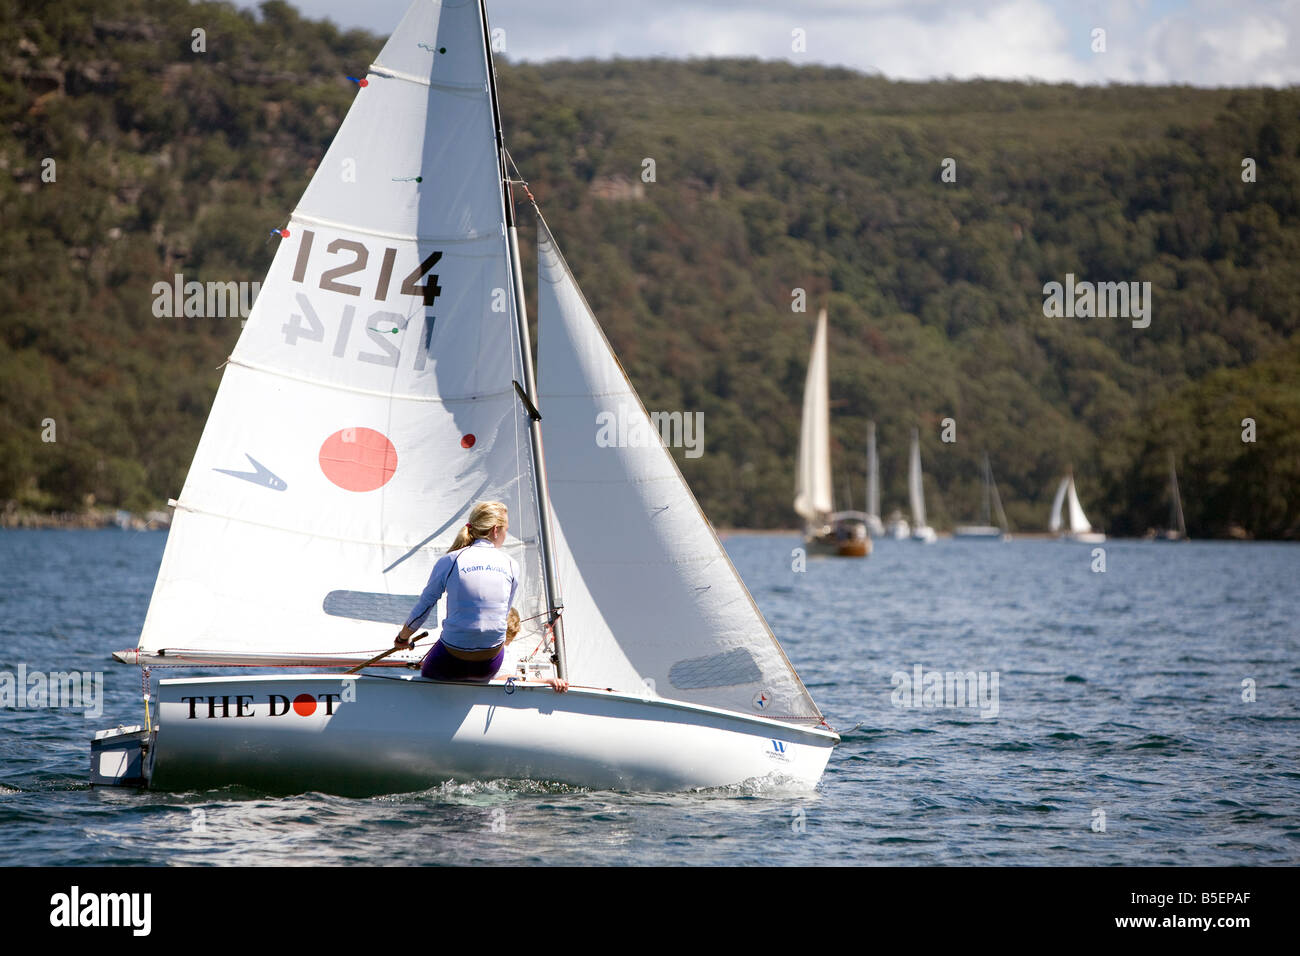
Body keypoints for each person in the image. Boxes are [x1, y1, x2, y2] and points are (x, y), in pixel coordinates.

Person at [394, 501, 567, 692]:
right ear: (495, 530)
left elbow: (424, 606)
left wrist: (403, 638)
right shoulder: (511, 565)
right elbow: (503, 615)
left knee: (426, 675)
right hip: (489, 664)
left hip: (451, 657)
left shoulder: (451, 560)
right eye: (506, 530)